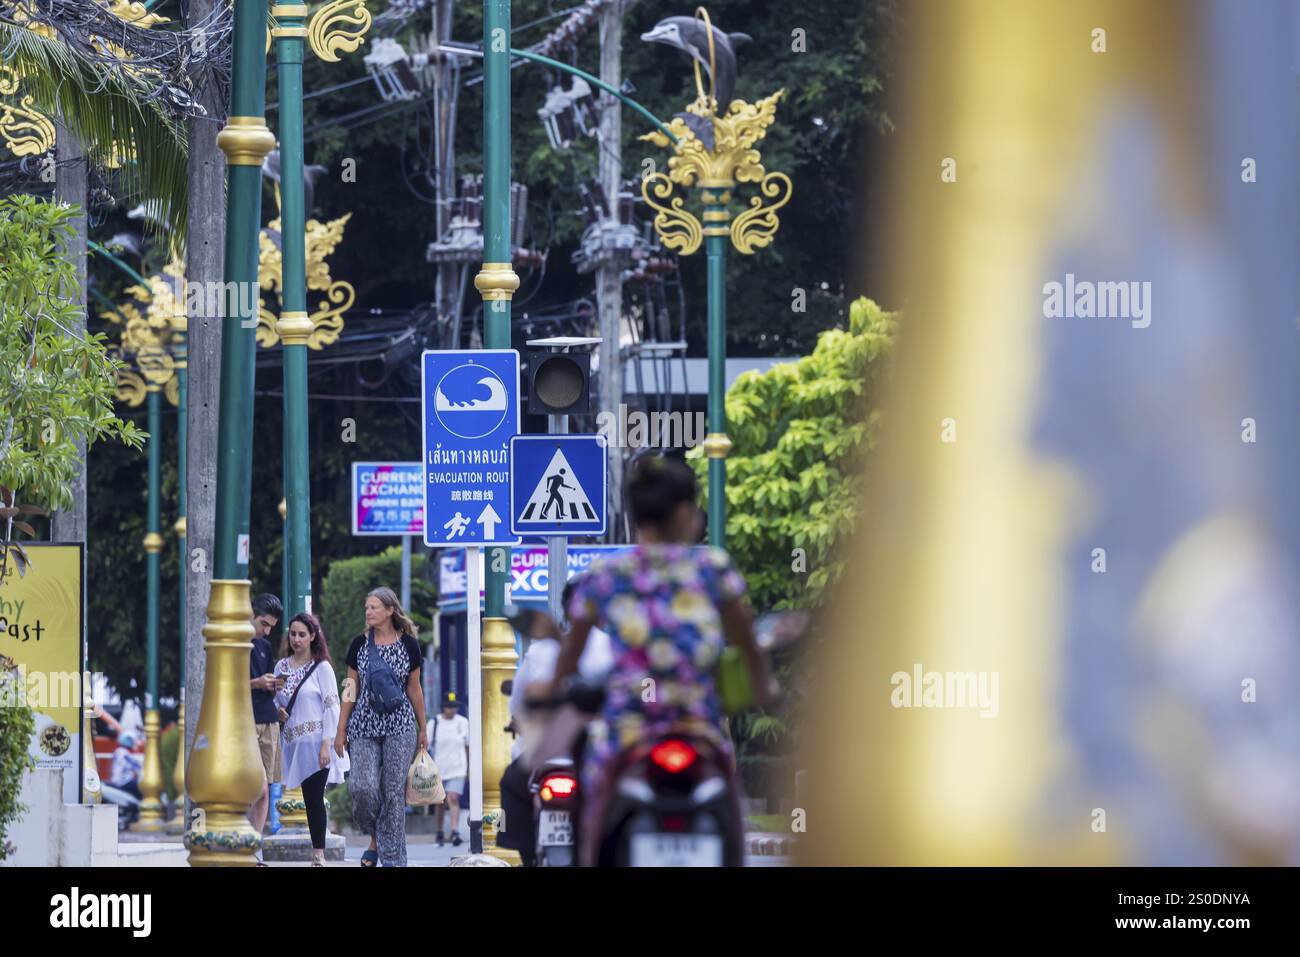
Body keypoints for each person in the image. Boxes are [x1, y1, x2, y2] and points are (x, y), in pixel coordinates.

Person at [548, 454, 777, 866]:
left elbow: (569, 656)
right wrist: (765, 689)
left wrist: (549, 690)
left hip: (626, 727)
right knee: (732, 805)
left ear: (636, 516)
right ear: (685, 513)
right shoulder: (712, 568)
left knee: (596, 811)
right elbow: (748, 646)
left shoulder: (607, 574)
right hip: (698, 723)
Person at [335, 587, 427, 867]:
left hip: (400, 726)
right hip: (363, 726)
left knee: (393, 792)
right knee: (363, 788)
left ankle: (392, 859)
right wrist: (341, 728)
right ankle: (375, 837)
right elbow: (350, 688)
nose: (368, 612)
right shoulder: (359, 644)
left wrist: (422, 727)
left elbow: (414, 689)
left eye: (374, 607)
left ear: (390, 610)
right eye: (367, 607)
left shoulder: (409, 645)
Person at [274, 613, 349, 866]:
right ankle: (317, 850)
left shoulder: (322, 667)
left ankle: (318, 853)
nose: (296, 639)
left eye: (302, 635)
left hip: (317, 742)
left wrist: (327, 743)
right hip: (293, 743)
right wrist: (278, 711)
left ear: (313, 636)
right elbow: (275, 700)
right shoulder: (281, 667)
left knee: (313, 797)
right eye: (293, 634)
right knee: (303, 796)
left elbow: (332, 706)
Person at [248, 593, 284, 865]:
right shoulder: (234, 643)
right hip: (244, 721)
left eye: (271, 626)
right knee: (256, 788)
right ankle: (247, 843)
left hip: (268, 718)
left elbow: (265, 682)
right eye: (263, 623)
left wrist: (272, 685)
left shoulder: (264, 646)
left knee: (266, 788)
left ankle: (254, 845)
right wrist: (256, 683)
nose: (266, 630)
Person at [428, 692, 470, 847]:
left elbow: (467, 746)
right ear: (443, 708)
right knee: (440, 802)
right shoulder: (434, 723)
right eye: (449, 706)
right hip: (438, 770)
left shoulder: (463, 722)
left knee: (453, 798)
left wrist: (468, 768)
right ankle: (439, 832)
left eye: (454, 707)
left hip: (457, 768)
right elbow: (426, 746)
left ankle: (455, 831)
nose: (452, 710)